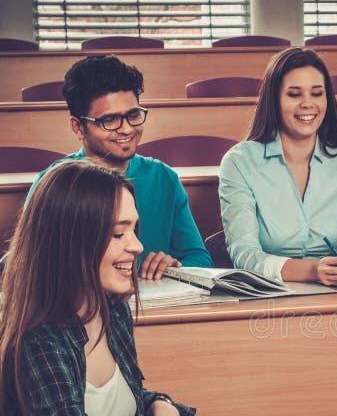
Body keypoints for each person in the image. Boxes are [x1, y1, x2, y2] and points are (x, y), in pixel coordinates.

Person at [1, 160, 309, 416]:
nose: (137, 246)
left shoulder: (111, 309)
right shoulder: (40, 340)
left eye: (134, 229)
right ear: (72, 240)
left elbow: (94, 400)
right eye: (118, 234)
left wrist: (160, 405)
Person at [29, 54, 212, 279]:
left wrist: (174, 265)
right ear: (78, 127)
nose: (126, 129)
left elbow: (199, 259)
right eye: (110, 120)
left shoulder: (164, 178)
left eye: (133, 115)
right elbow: (31, 265)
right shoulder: (53, 183)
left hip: (155, 306)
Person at [219, 47, 337, 285]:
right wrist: (313, 270)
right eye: (294, 94)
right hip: (268, 295)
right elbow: (244, 255)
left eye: (317, 94)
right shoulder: (238, 162)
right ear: (274, 100)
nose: (308, 104)